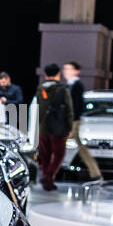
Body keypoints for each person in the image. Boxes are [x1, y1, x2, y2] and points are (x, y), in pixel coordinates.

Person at [35, 63, 74, 191]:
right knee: (59, 154)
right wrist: (70, 127)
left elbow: (38, 109)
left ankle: (47, 178)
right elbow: (69, 109)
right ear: (58, 74)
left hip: (43, 127)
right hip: (58, 127)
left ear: (45, 74)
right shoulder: (62, 89)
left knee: (45, 154)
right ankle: (49, 176)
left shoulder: (40, 89)